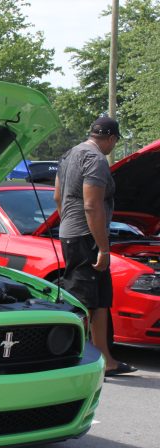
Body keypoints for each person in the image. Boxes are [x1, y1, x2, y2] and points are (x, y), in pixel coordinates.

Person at [54, 116, 137, 377]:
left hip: (75, 234)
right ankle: (72, 361)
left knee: (100, 300)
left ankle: (105, 360)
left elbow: (57, 196)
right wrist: (103, 247)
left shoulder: (69, 154)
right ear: (111, 138)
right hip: (87, 238)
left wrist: (67, 224)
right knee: (82, 302)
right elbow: (92, 205)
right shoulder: (96, 159)